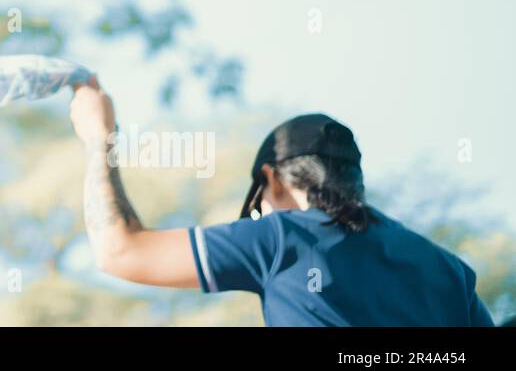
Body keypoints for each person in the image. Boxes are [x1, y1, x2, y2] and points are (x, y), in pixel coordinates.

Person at [68, 79, 495, 326]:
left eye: (254, 208)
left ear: (270, 180)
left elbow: (119, 251)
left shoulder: (280, 237)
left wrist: (98, 137)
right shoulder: (448, 270)